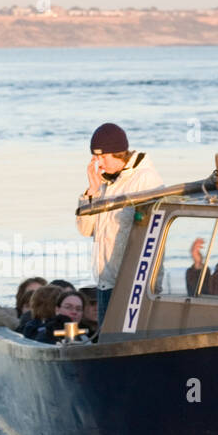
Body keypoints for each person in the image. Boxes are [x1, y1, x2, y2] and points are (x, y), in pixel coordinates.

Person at [76, 123, 162, 325]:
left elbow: (153, 232)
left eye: (102, 157)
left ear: (118, 153)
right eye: (95, 158)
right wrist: (92, 191)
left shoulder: (145, 179)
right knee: (107, 344)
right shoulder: (104, 184)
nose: (98, 163)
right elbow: (85, 229)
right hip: (105, 283)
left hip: (133, 287)